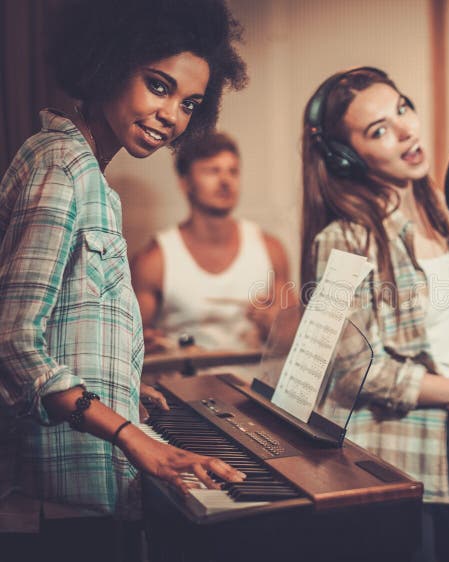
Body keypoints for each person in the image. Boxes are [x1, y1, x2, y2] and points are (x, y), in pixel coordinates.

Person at [0, 1, 249, 560]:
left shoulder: (92, 180)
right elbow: (12, 341)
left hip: (83, 495)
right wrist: (132, 436)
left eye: (189, 104)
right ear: (108, 63)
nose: (172, 116)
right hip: (50, 506)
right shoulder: (60, 166)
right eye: (158, 86)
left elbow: (62, 326)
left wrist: (119, 384)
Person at [301, 67, 449, 562]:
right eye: (379, 129)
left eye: (402, 108)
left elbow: (442, 328)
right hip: (387, 457)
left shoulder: (444, 217)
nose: (406, 130)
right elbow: (353, 372)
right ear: (347, 157)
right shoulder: (342, 240)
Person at [131, 132, 292, 368]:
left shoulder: (271, 249)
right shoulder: (155, 260)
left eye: (233, 171)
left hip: (253, 385)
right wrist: (148, 344)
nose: (225, 181)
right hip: (185, 385)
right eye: (212, 171)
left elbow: (291, 340)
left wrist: (276, 325)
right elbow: (132, 348)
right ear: (185, 183)